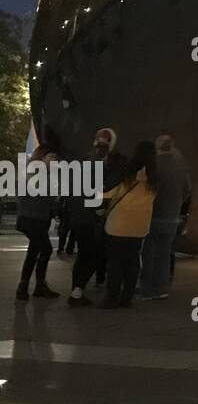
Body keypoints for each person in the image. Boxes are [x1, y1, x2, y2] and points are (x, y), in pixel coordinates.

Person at [100, 141, 158, 309]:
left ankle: (112, 297)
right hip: (140, 227)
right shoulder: (154, 178)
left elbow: (108, 194)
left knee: (115, 264)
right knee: (132, 264)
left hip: (118, 225)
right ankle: (127, 298)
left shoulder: (126, 173)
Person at [137, 134, 191, 300]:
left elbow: (142, 189)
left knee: (148, 255)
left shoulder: (153, 165)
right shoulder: (181, 167)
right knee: (164, 254)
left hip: (153, 217)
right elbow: (187, 190)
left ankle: (146, 290)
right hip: (171, 218)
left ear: (157, 147)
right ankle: (162, 288)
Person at [67, 128, 115, 307]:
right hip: (91, 216)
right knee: (94, 255)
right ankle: (77, 290)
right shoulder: (102, 165)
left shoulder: (83, 160)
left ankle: (76, 290)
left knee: (83, 254)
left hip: (78, 214)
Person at [15, 144, 62, 301]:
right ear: (42, 157)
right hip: (31, 219)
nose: (54, 161)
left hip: (36, 219)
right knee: (46, 249)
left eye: (56, 158)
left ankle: (28, 286)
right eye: (51, 157)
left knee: (34, 251)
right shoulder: (35, 172)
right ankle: (34, 286)